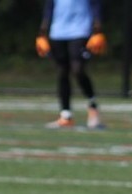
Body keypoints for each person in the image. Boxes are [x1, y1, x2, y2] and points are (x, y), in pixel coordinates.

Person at [36, 0, 107, 129]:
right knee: (62, 72)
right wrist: (42, 31)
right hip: (57, 32)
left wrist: (97, 28)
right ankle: (66, 115)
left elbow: (96, 4)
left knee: (78, 70)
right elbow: (49, 7)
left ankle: (93, 106)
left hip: (81, 31)